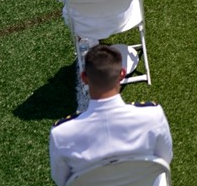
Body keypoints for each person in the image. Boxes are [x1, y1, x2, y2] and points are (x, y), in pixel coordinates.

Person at [49, 45, 173, 186]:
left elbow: (61, 180)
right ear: (122, 74)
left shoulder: (61, 134)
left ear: (84, 78)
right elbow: (165, 158)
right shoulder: (153, 116)